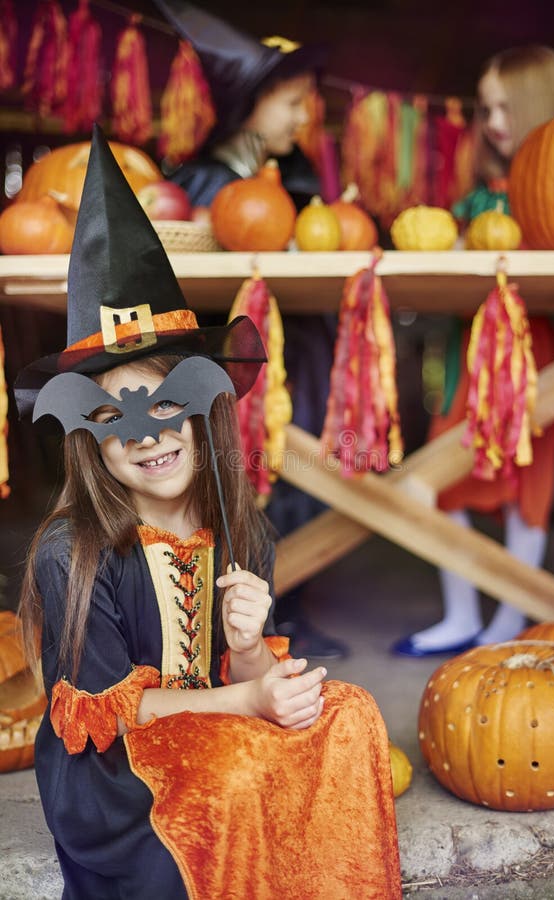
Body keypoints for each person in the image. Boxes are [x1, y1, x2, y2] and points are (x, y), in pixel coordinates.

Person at [15, 126, 402, 899]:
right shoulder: (73, 552)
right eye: (117, 420)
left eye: (165, 407)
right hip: (118, 778)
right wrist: (249, 700)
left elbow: (243, 670)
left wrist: (253, 649)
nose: (147, 436)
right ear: (90, 438)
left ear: (203, 411)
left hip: (216, 719)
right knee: (237, 772)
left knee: (351, 714)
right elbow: (108, 716)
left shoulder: (236, 522)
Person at [154, 1, 346, 659]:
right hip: (235, 363)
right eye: (291, 101)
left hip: (302, 358)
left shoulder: (298, 182)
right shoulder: (198, 186)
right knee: (239, 478)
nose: (302, 116)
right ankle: (231, 621)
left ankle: (291, 603)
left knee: (300, 479)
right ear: (248, 104)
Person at [392, 45, 554, 657]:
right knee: (446, 477)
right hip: (468, 352)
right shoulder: (471, 200)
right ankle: (462, 612)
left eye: (508, 106)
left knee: (529, 482)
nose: (494, 120)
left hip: (531, 353)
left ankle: (509, 618)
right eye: (487, 107)